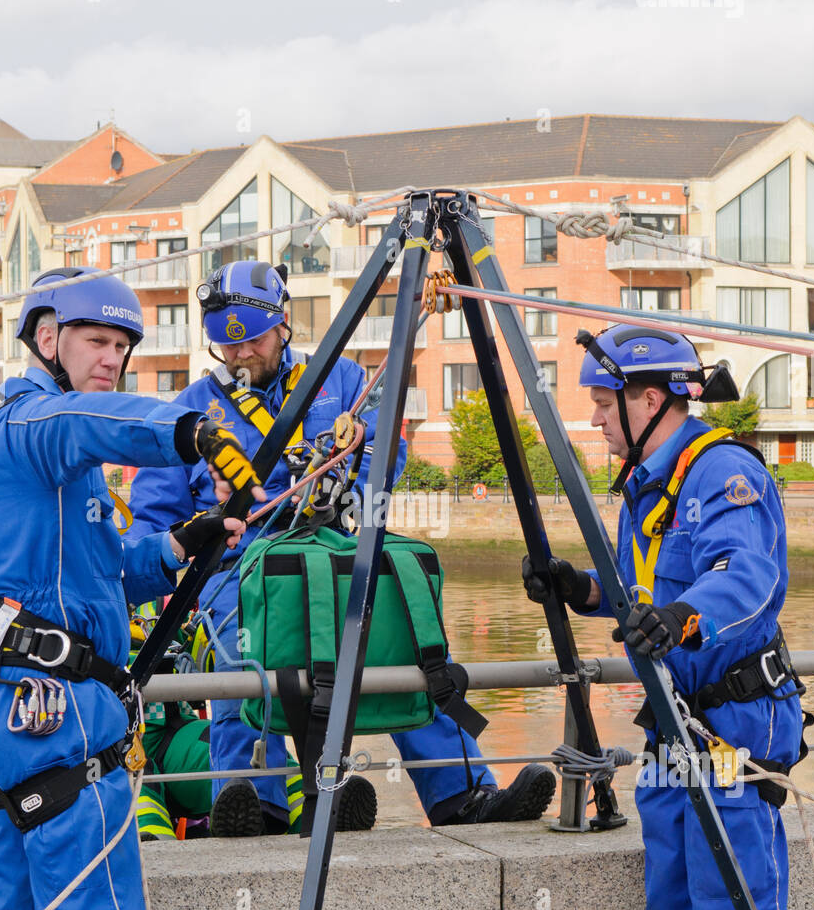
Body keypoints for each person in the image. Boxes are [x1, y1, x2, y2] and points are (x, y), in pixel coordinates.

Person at [0, 267, 258, 910]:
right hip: (57, 722)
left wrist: (175, 546)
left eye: (126, 347)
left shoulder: (50, 466)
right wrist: (194, 430)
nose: (114, 360)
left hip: (12, 722)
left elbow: (93, 579)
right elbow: (100, 420)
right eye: (98, 341)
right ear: (45, 338)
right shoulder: (32, 424)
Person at [130, 258, 555, 836]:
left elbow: (390, 449)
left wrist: (353, 469)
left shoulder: (344, 381)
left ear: (284, 324)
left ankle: (462, 794)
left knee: (407, 633)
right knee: (242, 652)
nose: (239, 356)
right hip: (240, 566)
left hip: (333, 551)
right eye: (225, 345)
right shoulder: (187, 414)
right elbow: (153, 515)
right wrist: (166, 550)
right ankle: (249, 803)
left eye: (251, 340)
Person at [523, 323, 804, 910]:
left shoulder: (722, 472)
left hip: (731, 724)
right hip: (673, 724)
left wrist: (683, 618)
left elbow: (743, 578)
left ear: (652, 400)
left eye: (606, 405)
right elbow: (643, 591)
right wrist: (583, 591)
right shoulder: (646, 482)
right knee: (675, 908)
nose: (597, 421)